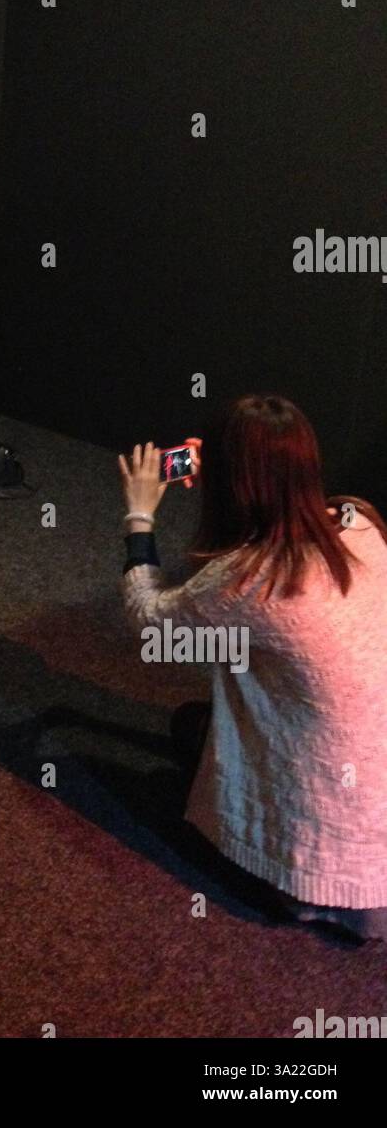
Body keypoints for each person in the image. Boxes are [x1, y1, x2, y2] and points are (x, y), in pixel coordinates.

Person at [118, 394, 387, 940]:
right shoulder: (361, 524)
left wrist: (139, 516)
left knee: (189, 729)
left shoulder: (251, 577)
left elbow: (152, 626)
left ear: (231, 483)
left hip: (328, 866)